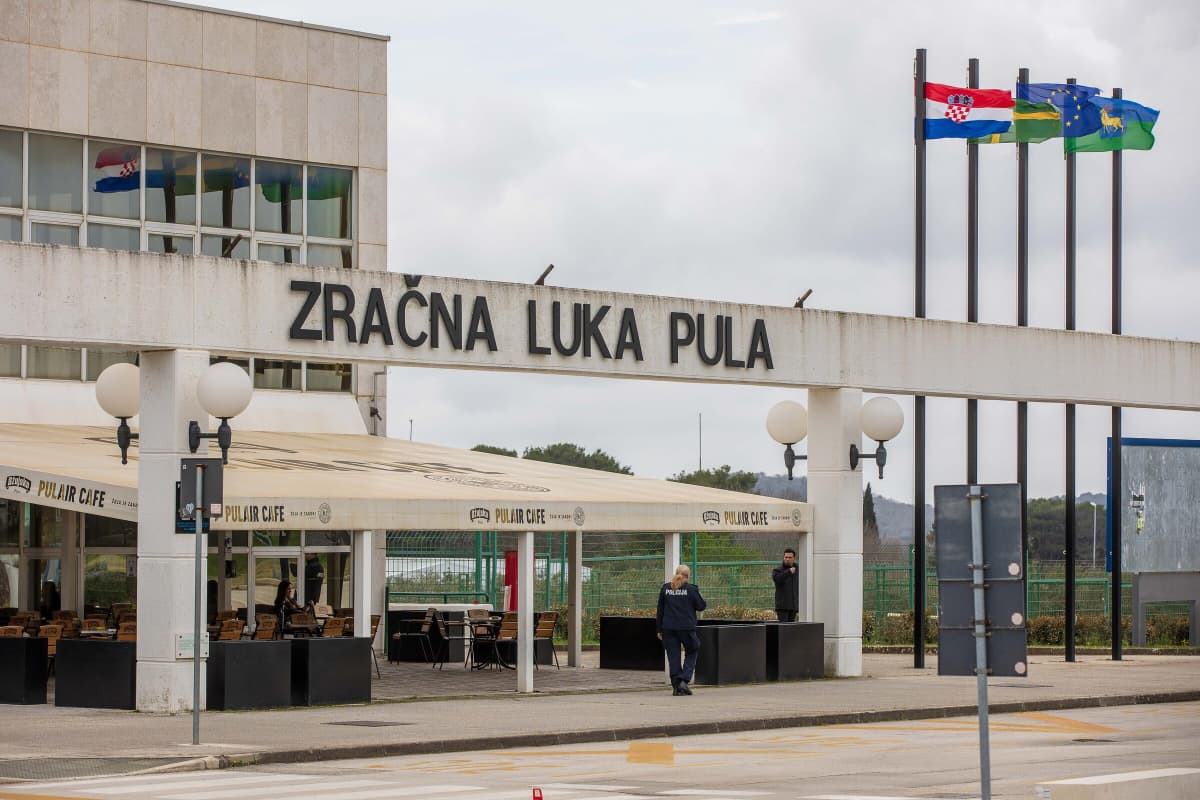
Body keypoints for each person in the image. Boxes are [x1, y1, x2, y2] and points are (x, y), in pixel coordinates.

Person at [656, 564, 706, 696]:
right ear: (688, 576)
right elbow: (701, 606)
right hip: (686, 628)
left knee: (674, 657)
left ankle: (676, 687)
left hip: (668, 628)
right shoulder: (691, 589)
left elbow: (660, 610)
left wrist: (659, 629)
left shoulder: (665, 588)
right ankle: (684, 680)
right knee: (692, 650)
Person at [772, 548, 801, 622]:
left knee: (791, 628)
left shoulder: (798, 569)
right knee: (783, 627)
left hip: (793, 607)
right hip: (782, 607)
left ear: (794, 558)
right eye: (786, 557)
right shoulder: (777, 570)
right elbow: (778, 579)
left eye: (790, 557)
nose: (787, 559)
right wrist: (788, 572)